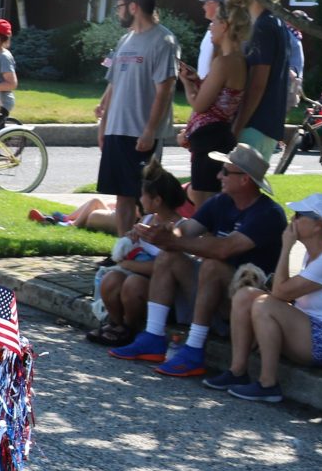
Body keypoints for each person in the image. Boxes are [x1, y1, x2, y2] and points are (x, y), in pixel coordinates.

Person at [111, 142, 287, 375]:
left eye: (225, 171)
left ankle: (194, 348)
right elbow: (185, 231)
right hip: (211, 292)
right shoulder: (220, 202)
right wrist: (164, 231)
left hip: (243, 304)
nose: (219, 176)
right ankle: (153, 336)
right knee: (169, 256)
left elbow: (224, 249)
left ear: (245, 179)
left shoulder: (268, 214)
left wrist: (172, 240)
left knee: (212, 265)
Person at [207, 191, 322, 400]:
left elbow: (280, 293)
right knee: (245, 295)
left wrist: (286, 247)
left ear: (318, 224)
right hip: (313, 325)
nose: (293, 219)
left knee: (264, 305)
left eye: (299, 215)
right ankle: (237, 372)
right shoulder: (315, 251)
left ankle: (268, 384)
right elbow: (284, 293)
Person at [94, 0, 179, 234]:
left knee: (145, 197)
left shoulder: (164, 40)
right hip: (117, 130)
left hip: (140, 133)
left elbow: (164, 89)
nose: (118, 12)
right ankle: (123, 248)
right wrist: (104, 125)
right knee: (122, 196)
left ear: (133, 7)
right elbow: (113, 84)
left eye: (119, 6)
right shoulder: (125, 40)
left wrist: (149, 130)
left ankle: (146, 249)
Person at [85, 170, 181, 346]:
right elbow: (129, 252)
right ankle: (116, 323)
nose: (140, 199)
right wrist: (129, 241)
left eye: (143, 195)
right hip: (135, 275)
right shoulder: (147, 219)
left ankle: (129, 327)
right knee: (110, 278)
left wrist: (127, 264)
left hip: (160, 291)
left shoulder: (178, 228)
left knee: (133, 283)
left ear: (157, 200)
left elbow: (162, 267)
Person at [178, 0, 250, 210]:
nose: (210, 27)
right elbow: (220, 97)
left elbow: (200, 104)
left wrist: (186, 82)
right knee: (214, 206)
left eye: (214, 22)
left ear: (225, 26)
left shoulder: (223, 62)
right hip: (219, 136)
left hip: (209, 139)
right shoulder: (238, 60)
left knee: (204, 208)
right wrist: (196, 81)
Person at [234, 0, 292, 158]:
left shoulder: (263, 27)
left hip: (255, 125)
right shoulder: (274, 21)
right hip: (265, 125)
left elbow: (257, 84)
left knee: (239, 177)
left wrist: (237, 126)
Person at [194, 0, 225, 80]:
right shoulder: (212, 28)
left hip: (212, 83)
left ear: (215, 4)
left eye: (206, 3)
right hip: (205, 83)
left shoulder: (223, 30)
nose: (203, 7)